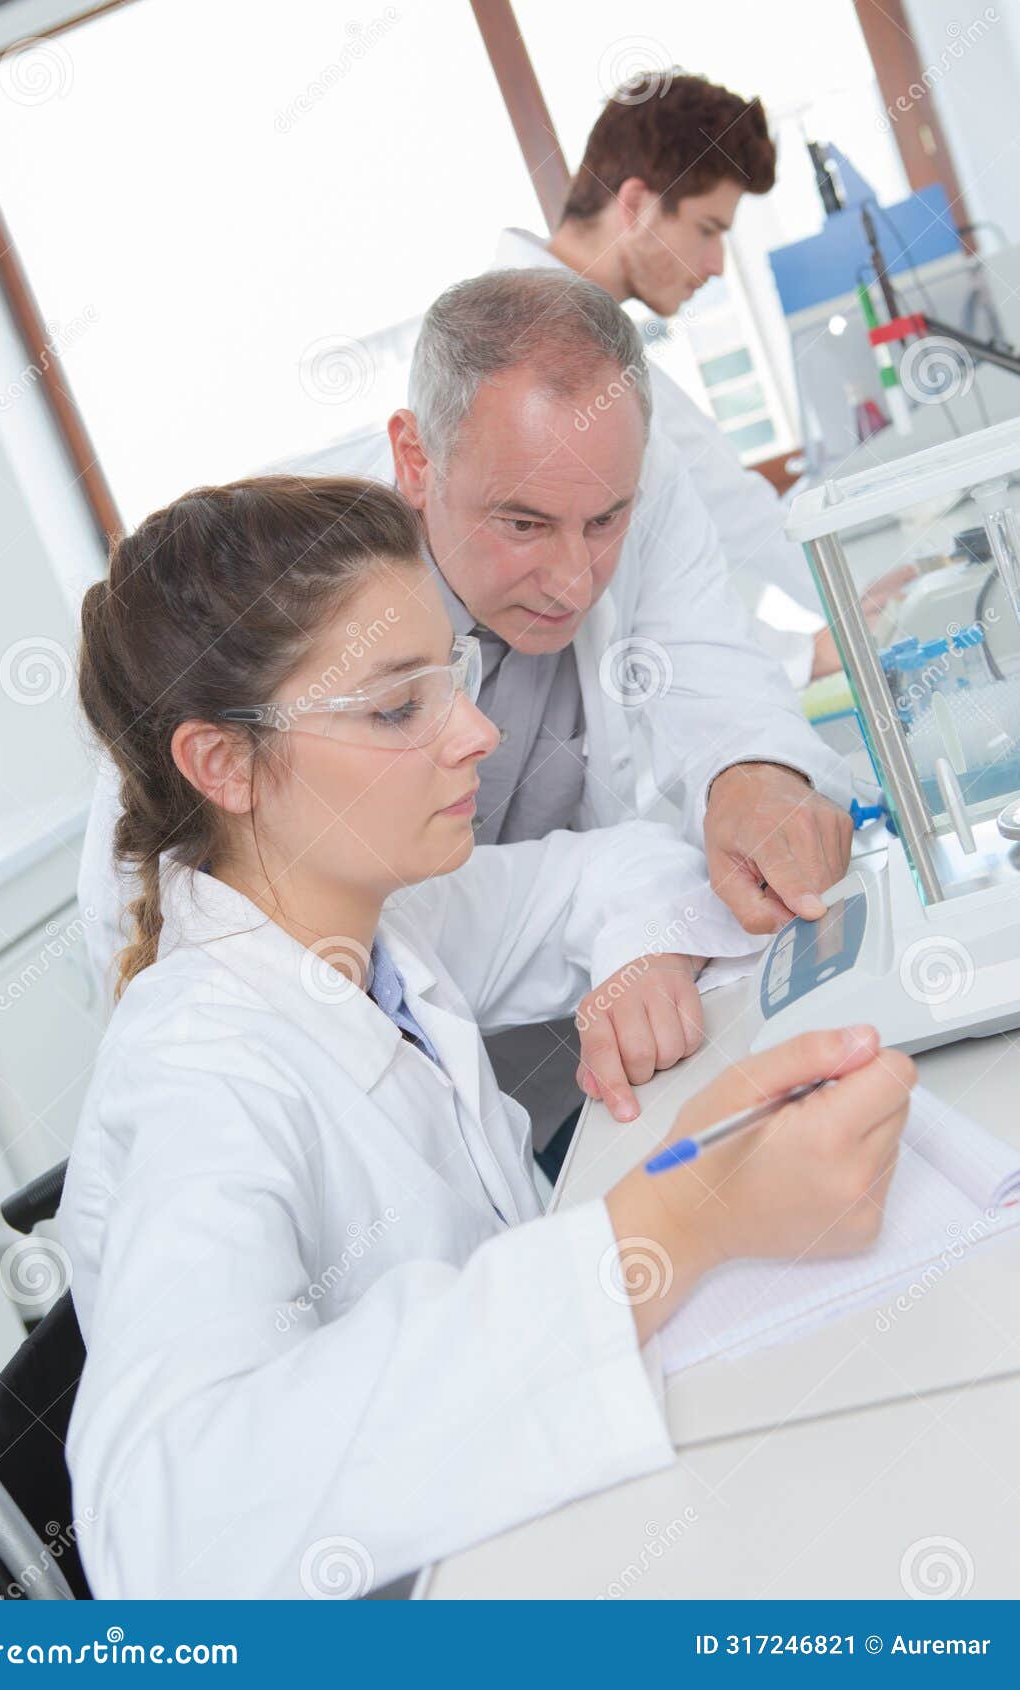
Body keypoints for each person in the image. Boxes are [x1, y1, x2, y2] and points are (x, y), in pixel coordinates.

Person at [60, 473, 914, 1599]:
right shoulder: (196, 1072)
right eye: (396, 706)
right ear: (224, 764)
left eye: (450, 679)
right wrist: (665, 1226)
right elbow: (167, 1533)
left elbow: (617, 870)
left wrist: (637, 951)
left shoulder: (373, 913)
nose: (477, 732)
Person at [78, 270, 856, 1168]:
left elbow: (707, 678)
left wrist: (753, 777)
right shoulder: (297, 593)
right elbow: (140, 891)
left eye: (607, 521)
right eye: (522, 525)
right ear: (416, 460)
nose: (575, 580)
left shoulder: (619, 467)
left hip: (556, 1066)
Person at [496, 71, 915, 685]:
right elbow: (612, 602)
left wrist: (856, 605)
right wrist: (805, 654)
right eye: (708, 231)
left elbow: (728, 502)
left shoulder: (587, 337)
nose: (717, 265)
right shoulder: (540, 351)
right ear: (636, 206)